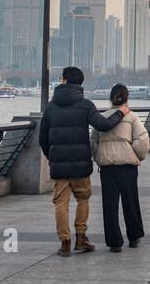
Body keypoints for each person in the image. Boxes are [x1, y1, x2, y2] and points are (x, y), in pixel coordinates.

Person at [38, 66, 130, 256]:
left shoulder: (50, 106)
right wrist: (121, 112)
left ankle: (65, 242)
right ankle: (81, 238)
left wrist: (51, 156)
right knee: (82, 199)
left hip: (59, 165)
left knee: (61, 203)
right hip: (80, 164)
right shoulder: (86, 105)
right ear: (80, 83)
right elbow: (103, 125)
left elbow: (42, 138)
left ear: (63, 80)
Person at [93, 83, 150, 252]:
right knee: (130, 201)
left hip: (107, 167)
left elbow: (93, 141)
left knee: (109, 206)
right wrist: (135, 155)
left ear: (110, 99)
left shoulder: (102, 117)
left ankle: (114, 242)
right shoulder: (132, 117)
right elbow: (142, 140)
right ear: (127, 98)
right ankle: (134, 236)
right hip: (127, 166)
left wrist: (99, 157)